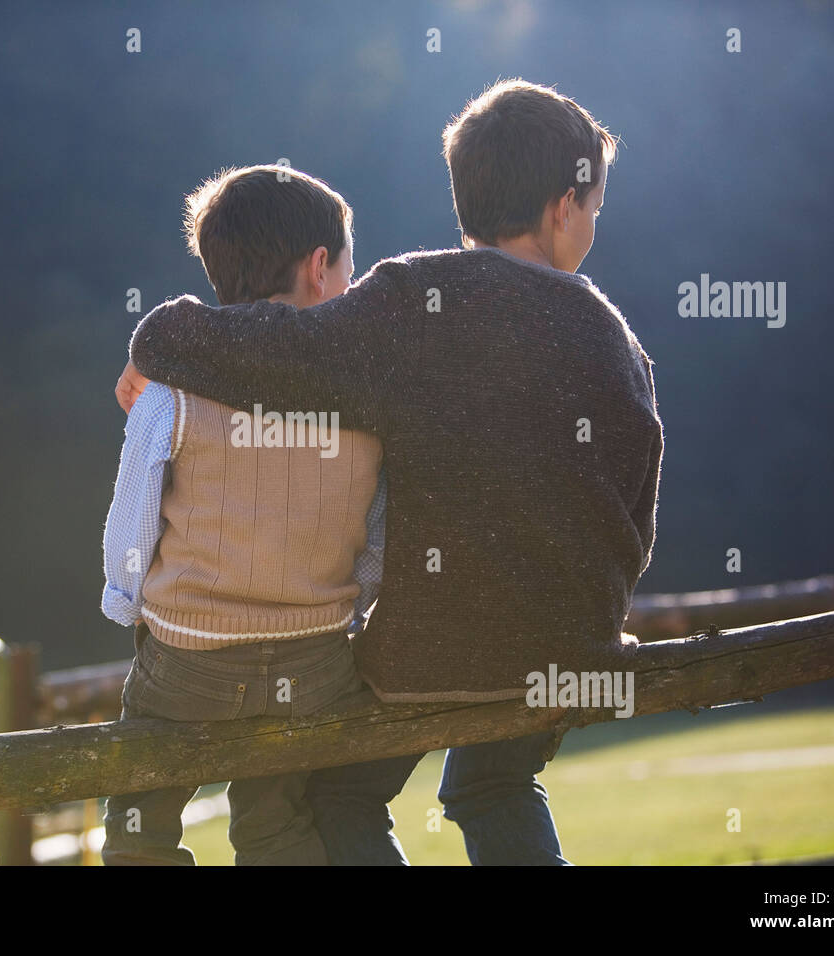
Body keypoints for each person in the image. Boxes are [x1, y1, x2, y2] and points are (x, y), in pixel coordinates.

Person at [118, 78, 663, 865]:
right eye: (596, 205)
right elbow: (637, 513)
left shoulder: (416, 299)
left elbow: (274, 352)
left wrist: (160, 335)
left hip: (433, 651)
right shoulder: (617, 341)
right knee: (494, 787)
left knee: (335, 791)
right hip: (572, 655)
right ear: (564, 206)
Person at [100, 164, 384, 865]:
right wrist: (355, 606)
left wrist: (125, 597)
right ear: (319, 268)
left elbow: (133, 509)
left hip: (189, 654)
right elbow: (380, 535)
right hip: (315, 660)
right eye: (350, 268)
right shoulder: (370, 395)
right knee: (278, 828)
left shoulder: (174, 388)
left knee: (140, 829)